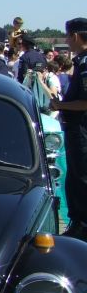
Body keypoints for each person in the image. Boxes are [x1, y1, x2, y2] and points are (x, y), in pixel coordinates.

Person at [51, 18, 87, 238]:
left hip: (81, 131)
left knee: (81, 177)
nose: (66, 41)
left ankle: (82, 226)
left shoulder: (84, 64)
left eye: (67, 36)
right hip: (78, 130)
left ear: (74, 36)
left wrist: (60, 105)